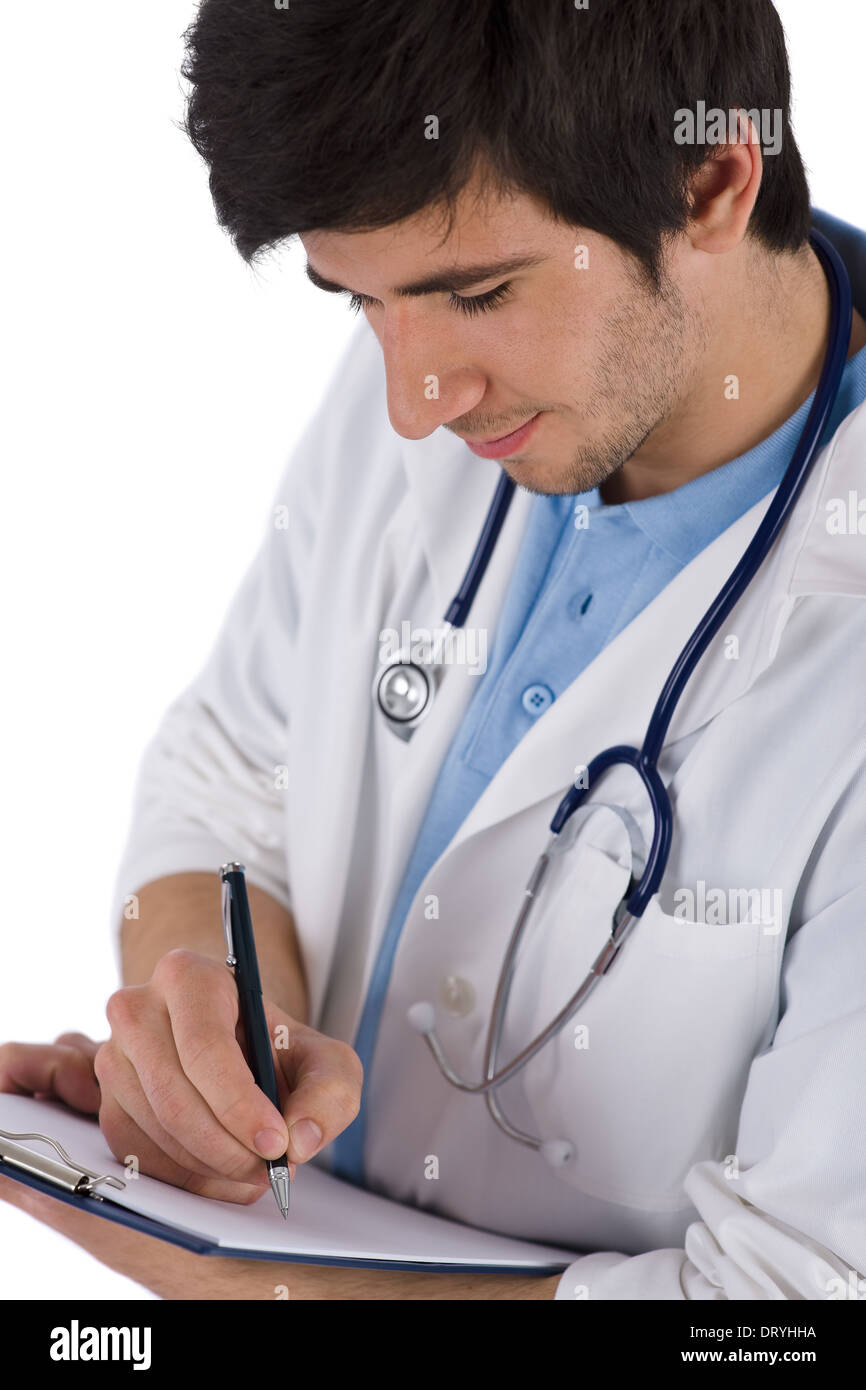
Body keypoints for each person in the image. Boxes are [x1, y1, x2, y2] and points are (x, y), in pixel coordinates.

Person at [3, 0, 866, 1301]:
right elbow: (229, 768)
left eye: (478, 292)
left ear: (709, 181)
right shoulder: (460, 378)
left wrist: (258, 1288)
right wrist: (225, 1027)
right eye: (357, 302)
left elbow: (787, 1309)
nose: (411, 403)